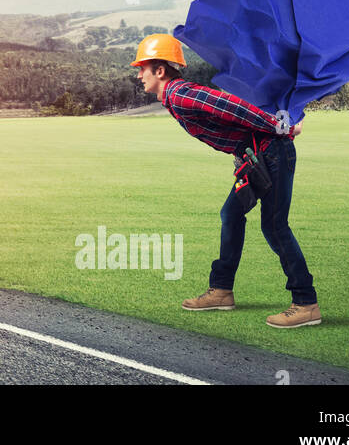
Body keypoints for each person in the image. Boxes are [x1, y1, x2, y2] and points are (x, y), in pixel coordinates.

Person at [130, 34, 320, 329]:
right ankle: (221, 291)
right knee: (231, 214)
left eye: (142, 67)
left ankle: (306, 303)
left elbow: (231, 107)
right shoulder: (174, 97)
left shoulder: (181, 94)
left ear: (160, 70)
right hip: (256, 156)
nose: (138, 74)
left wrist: (280, 127)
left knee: (274, 226)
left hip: (272, 152)